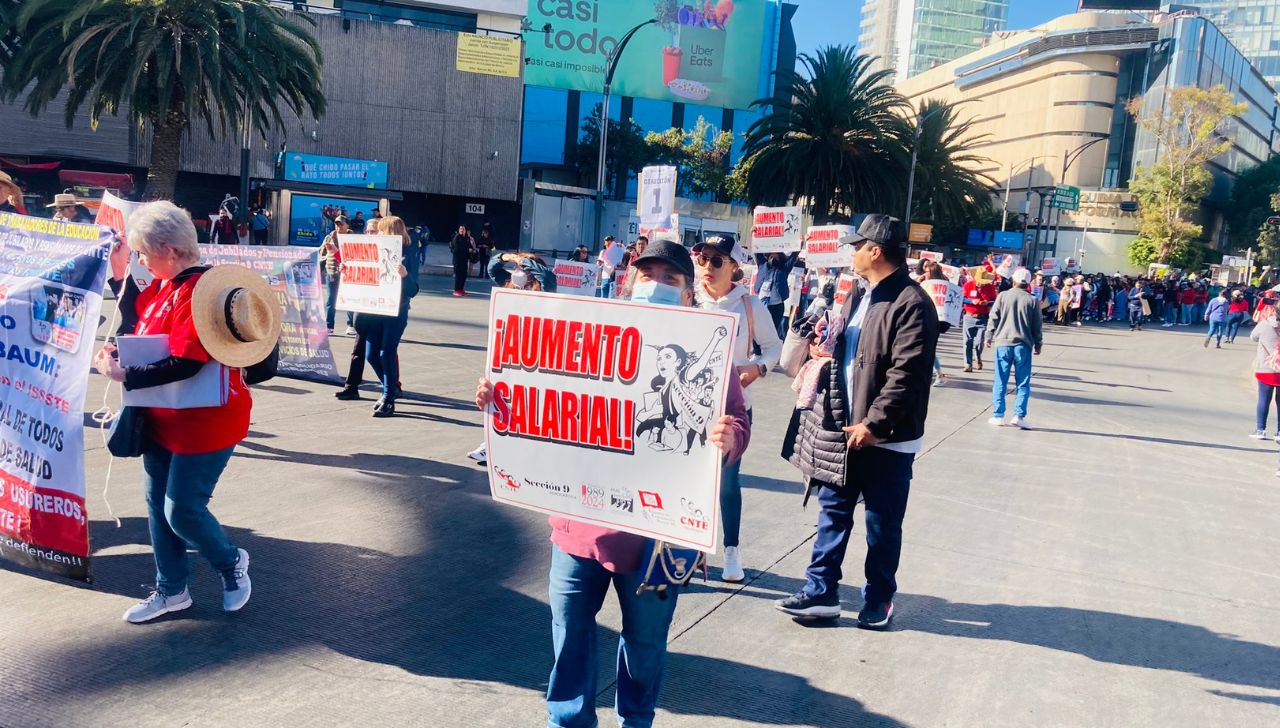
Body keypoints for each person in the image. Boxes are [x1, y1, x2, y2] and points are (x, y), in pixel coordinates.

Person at [474, 240, 750, 728]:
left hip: (657, 539)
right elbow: (547, 398)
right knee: (570, 635)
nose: (657, 286)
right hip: (578, 529)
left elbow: (737, 424)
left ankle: (636, 722)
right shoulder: (587, 343)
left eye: (671, 278)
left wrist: (727, 439)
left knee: (645, 646)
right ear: (628, 282)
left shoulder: (712, 361)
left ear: (688, 294)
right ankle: (569, 720)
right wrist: (501, 394)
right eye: (647, 275)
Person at [92, 201, 280, 623]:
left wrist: (123, 373)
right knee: (158, 507)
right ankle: (171, 590)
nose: (141, 260)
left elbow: (186, 362)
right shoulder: (168, 285)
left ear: (170, 251)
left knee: (182, 510)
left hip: (206, 421)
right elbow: (137, 319)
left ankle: (230, 561)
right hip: (163, 415)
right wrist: (120, 273)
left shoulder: (197, 292)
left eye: (144, 253)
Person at [775, 214, 938, 629]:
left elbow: (908, 374)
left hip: (886, 438)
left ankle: (879, 598)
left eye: (857, 245)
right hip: (842, 426)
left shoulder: (913, 304)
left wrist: (876, 425)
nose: (852, 252)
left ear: (876, 250)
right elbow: (848, 353)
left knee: (882, 525)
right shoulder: (857, 294)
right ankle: (820, 592)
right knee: (832, 512)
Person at [692, 235, 780, 583]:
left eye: (717, 261)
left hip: (734, 408)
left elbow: (774, 347)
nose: (707, 267)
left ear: (734, 267)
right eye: (702, 259)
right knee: (692, 479)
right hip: (690, 406)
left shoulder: (749, 305)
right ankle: (691, 548)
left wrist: (758, 368)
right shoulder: (690, 300)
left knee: (728, 480)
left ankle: (731, 549)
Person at [353, 216, 418, 417]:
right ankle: (390, 388)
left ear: (392, 233)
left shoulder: (408, 254)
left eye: (382, 231)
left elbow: (414, 289)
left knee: (386, 353)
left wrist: (405, 275)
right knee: (372, 355)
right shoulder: (372, 252)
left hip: (395, 311)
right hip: (374, 310)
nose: (378, 234)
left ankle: (389, 397)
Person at [985, 268, 1043, 429]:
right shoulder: (1032, 300)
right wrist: (1038, 343)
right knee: (1023, 382)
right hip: (1023, 345)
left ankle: (998, 415)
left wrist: (988, 336)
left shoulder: (1002, 296)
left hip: (1003, 342)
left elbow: (993, 317)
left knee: (1000, 379)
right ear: (1029, 282)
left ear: (1013, 280)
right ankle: (1019, 415)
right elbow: (1037, 325)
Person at [319, 215, 355, 334]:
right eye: (336, 224)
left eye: (341, 224)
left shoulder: (353, 238)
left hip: (349, 274)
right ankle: (329, 326)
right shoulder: (329, 237)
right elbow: (322, 254)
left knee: (350, 300)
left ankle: (350, 325)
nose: (338, 226)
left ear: (347, 225)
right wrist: (319, 270)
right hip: (332, 274)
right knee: (331, 300)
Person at [1250, 298, 1280, 440]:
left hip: (1266, 367)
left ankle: (1261, 430)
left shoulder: (1264, 324)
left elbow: (1253, 337)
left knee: (1263, 399)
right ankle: (1279, 432)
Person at [754, 251, 800, 336]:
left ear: (780, 259)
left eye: (776, 257)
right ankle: (757, 349)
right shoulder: (762, 265)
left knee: (772, 332)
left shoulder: (784, 268)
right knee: (758, 331)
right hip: (761, 304)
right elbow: (758, 250)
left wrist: (800, 243)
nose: (773, 259)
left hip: (776, 306)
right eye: (771, 257)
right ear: (767, 257)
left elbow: (793, 256)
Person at [961, 267, 997, 372]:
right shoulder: (968, 285)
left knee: (979, 341)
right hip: (969, 316)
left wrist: (987, 303)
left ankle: (978, 357)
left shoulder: (990, 287)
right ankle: (968, 364)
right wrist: (972, 301)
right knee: (967, 341)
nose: (981, 284)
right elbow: (961, 298)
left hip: (983, 317)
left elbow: (995, 301)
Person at [449, 225, 474, 297]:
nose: (462, 230)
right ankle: (456, 290)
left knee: (463, 275)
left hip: (464, 260)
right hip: (458, 260)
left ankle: (461, 289)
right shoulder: (457, 238)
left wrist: (472, 250)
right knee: (458, 276)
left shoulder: (466, 238)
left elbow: (469, 246)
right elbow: (457, 249)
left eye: (463, 229)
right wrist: (467, 250)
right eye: (460, 229)